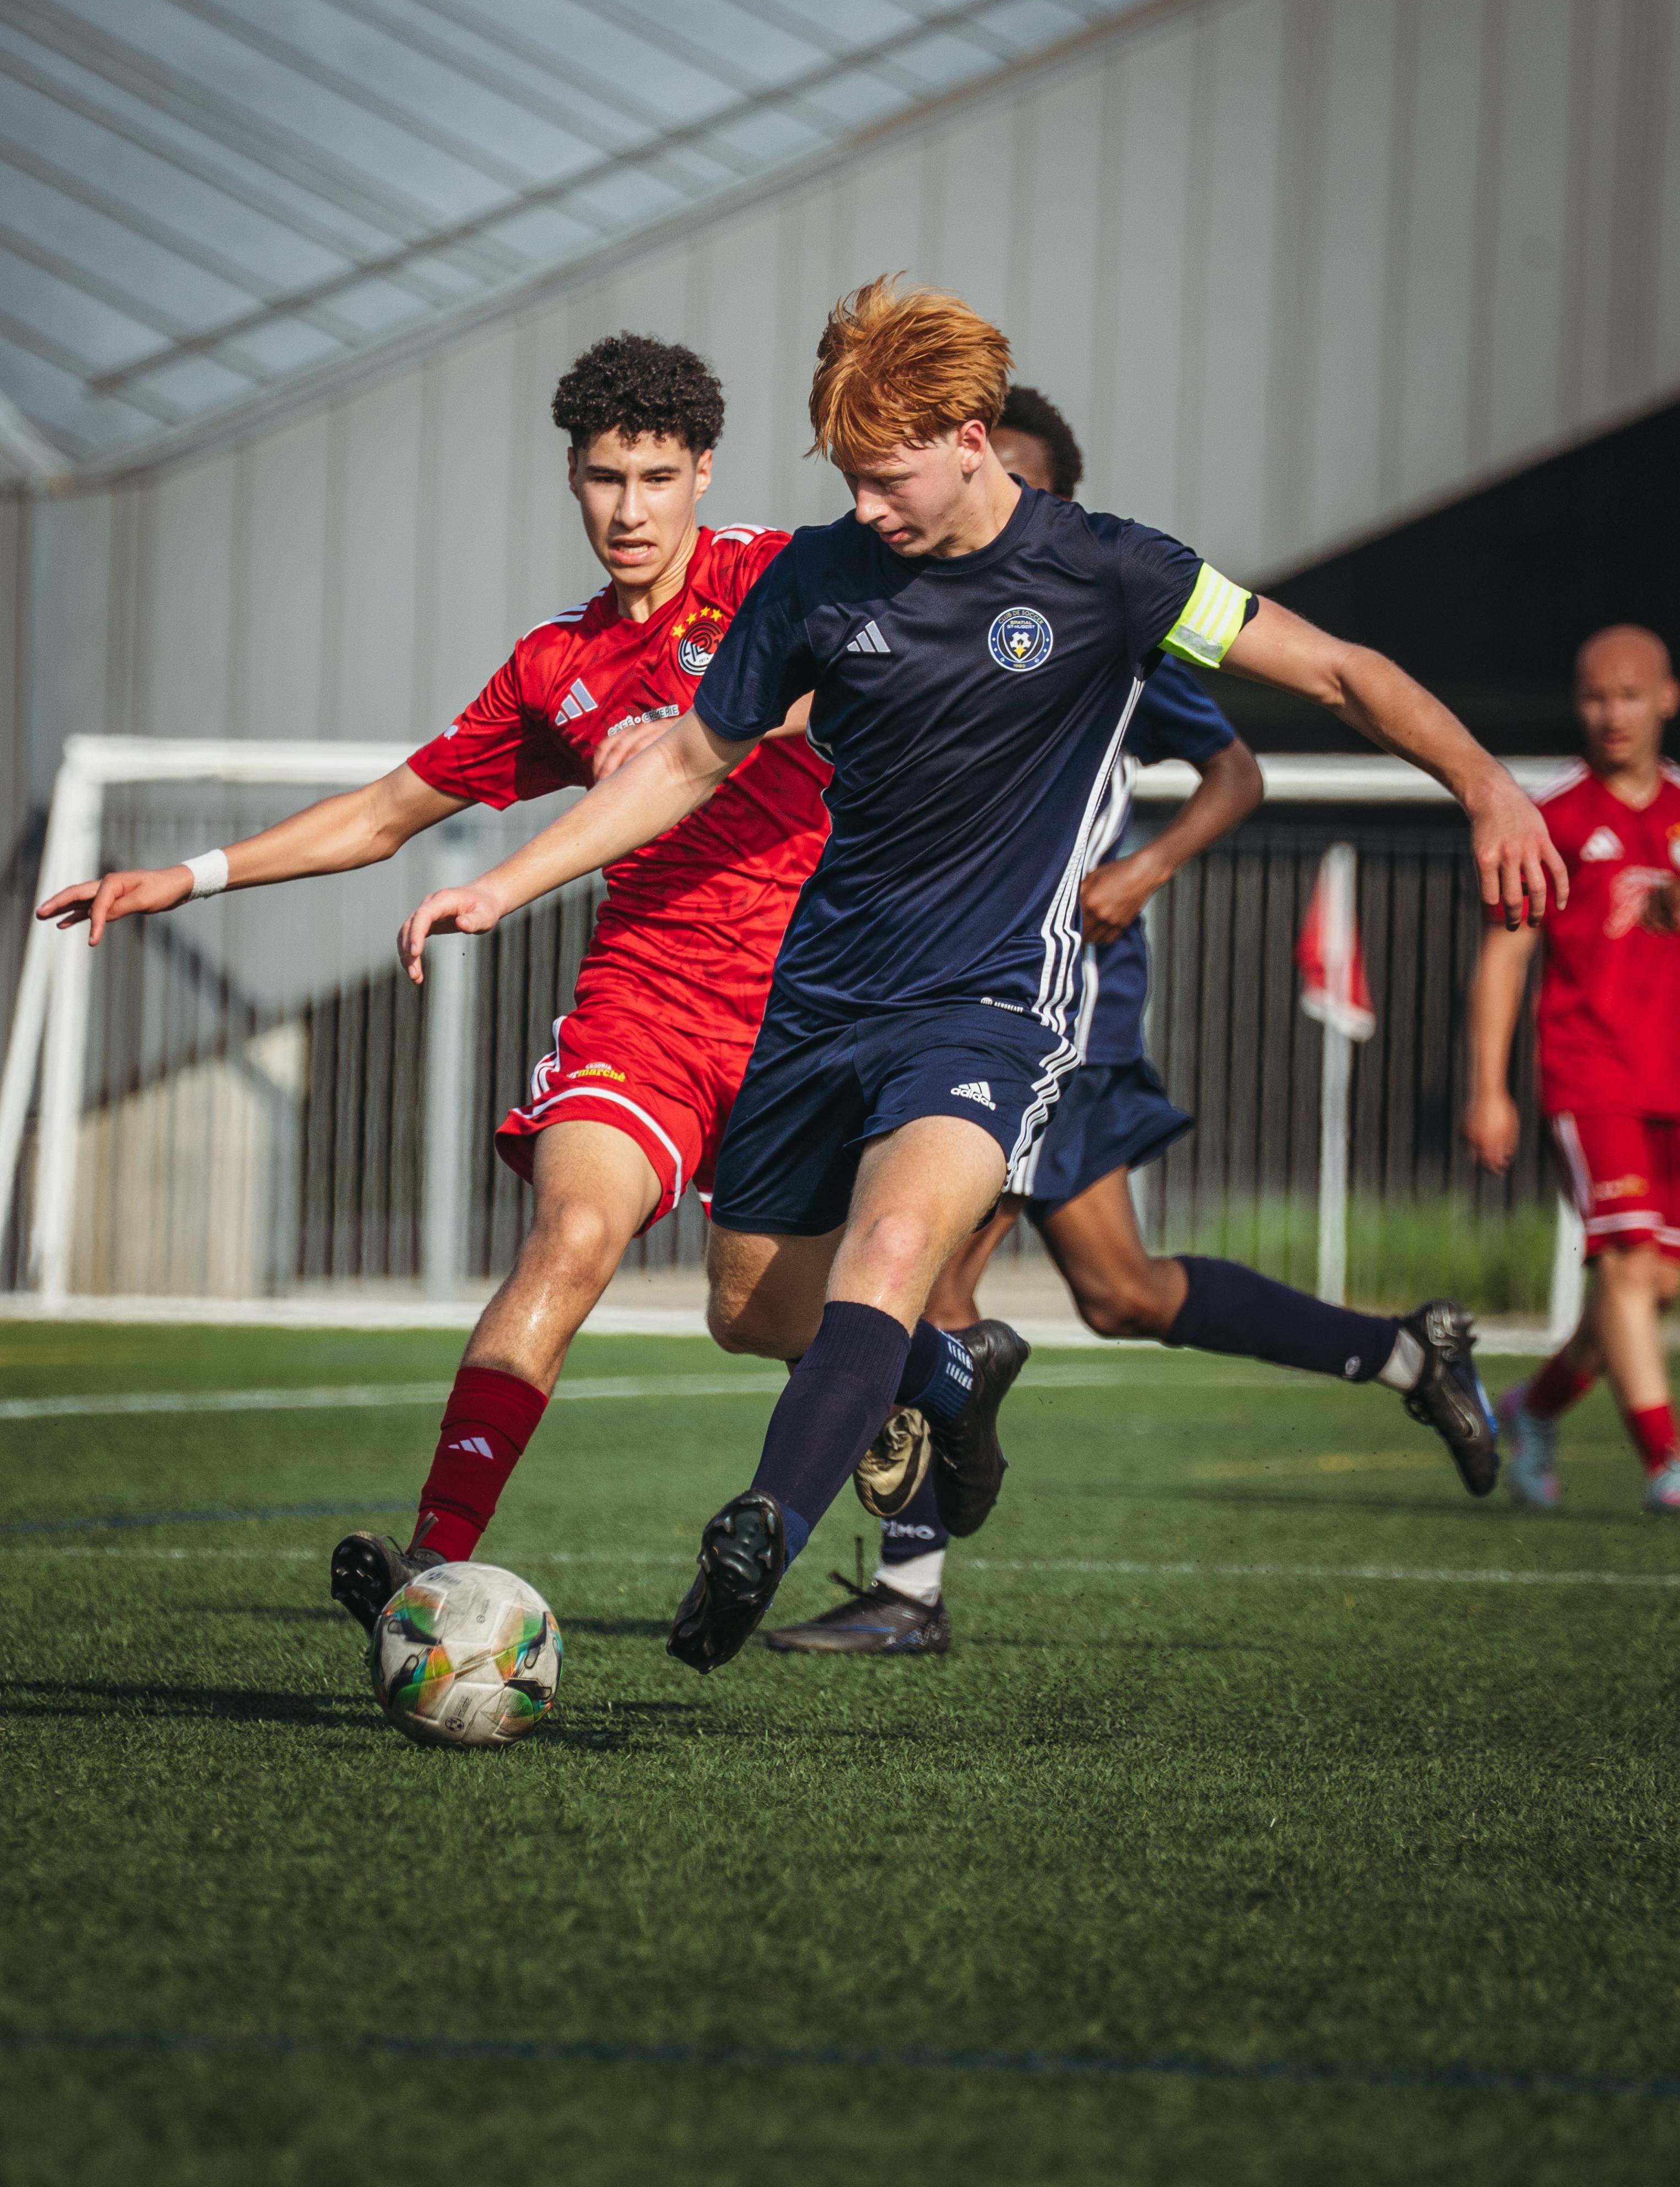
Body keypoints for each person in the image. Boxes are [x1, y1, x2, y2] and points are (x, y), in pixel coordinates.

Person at [400, 279, 1565, 1677]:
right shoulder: (822, 577)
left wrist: (1487, 786)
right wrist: (503, 881)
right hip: (819, 995)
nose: (868, 510)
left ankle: (768, 1524)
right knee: (748, 1307)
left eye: (886, 480)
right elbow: (689, 760)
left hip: (992, 999)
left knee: (899, 1254)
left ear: (969, 438)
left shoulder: (1112, 571)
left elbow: (1336, 674)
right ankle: (949, 1383)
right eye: (847, 482)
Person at [37, 334, 832, 1628]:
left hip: (810, 1001)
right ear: (570, 477)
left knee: (749, 1315)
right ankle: (433, 1559)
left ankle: (931, 1374)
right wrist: (187, 876)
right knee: (571, 1233)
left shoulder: (781, 578)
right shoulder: (553, 666)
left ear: (703, 472)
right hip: (649, 1000)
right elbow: (385, 811)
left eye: (655, 476)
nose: (628, 510)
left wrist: (737, 715)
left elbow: (883, 666)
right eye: (600, 478)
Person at [766, 384, 1264, 1658]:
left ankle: (909, 1589)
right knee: (1108, 1289)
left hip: (1045, 1000)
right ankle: (1404, 1356)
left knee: (933, 1277)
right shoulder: (893, 596)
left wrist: (1140, 873)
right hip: (920, 985)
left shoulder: (1103, 612)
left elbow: (1237, 766)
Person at [1465, 625, 1680, 1514]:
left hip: (1670, 1081)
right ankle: (1665, 1463)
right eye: (1596, 696)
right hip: (1591, 1079)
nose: (1613, 713)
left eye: (1630, 695)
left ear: (1666, 698)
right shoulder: (1551, 819)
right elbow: (1506, 958)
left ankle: (1533, 1408)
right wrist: (1488, 1088)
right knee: (1629, 1266)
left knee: (1654, 1285)